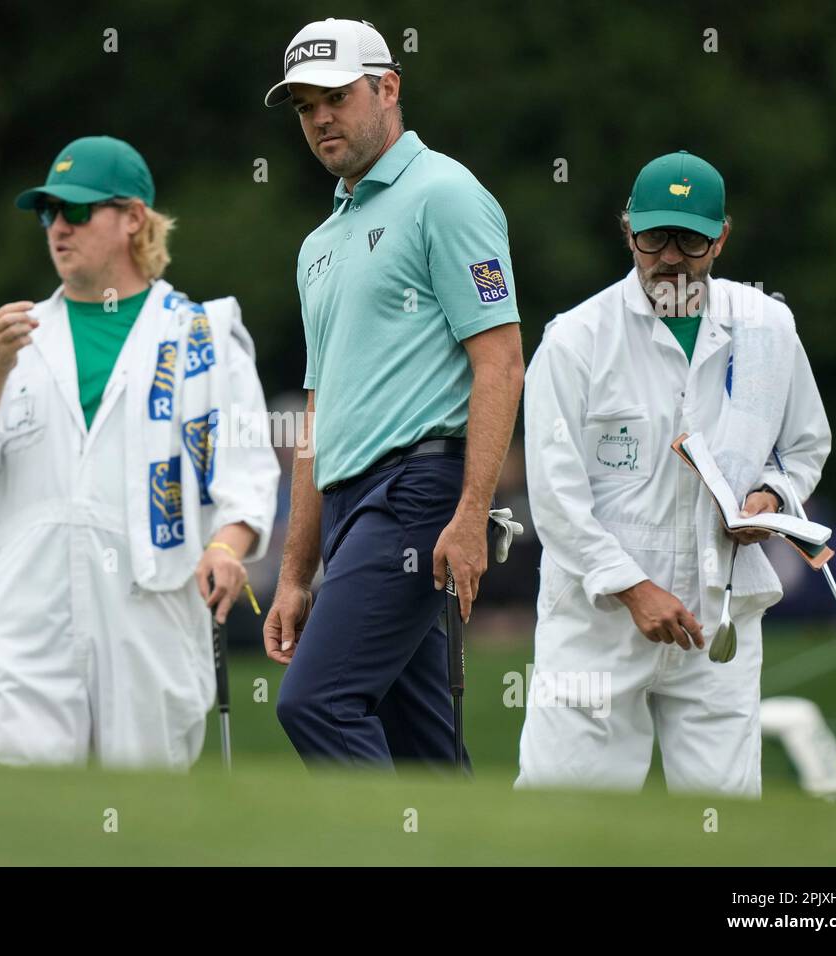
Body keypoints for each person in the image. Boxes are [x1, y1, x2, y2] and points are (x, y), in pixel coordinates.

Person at [0, 136, 279, 769]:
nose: (58, 227)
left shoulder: (201, 335)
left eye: (77, 211)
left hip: (151, 609)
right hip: (27, 611)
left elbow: (248, 477)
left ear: (134, 218)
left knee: (145, 813)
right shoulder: (13, 338)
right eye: (48, 213)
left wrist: (227, 550)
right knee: (20, 808)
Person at [518, 150, 830, 796]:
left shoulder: (769, 326)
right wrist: (635, 589)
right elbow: (555, 498)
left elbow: (806, 445)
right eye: (654, 235)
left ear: (722, 237)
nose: (669, 256)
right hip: (597, 623)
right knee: (566, 821)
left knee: (723, 824)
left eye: (689, 239)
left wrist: (771, 498)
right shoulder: (575, 340)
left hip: (718, 617)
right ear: (627, 228)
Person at [260, 19, 525, 768]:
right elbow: (318, 418)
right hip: (350, 510)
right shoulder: (319, 243)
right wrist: (294, 574)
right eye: (305, 106)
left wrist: (471, 514)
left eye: (336, 97)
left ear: (388, 87)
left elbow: (501, 362)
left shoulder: (445, 194)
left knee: (318, 703)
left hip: (417, 491)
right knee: (424, 750)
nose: (320, 119)